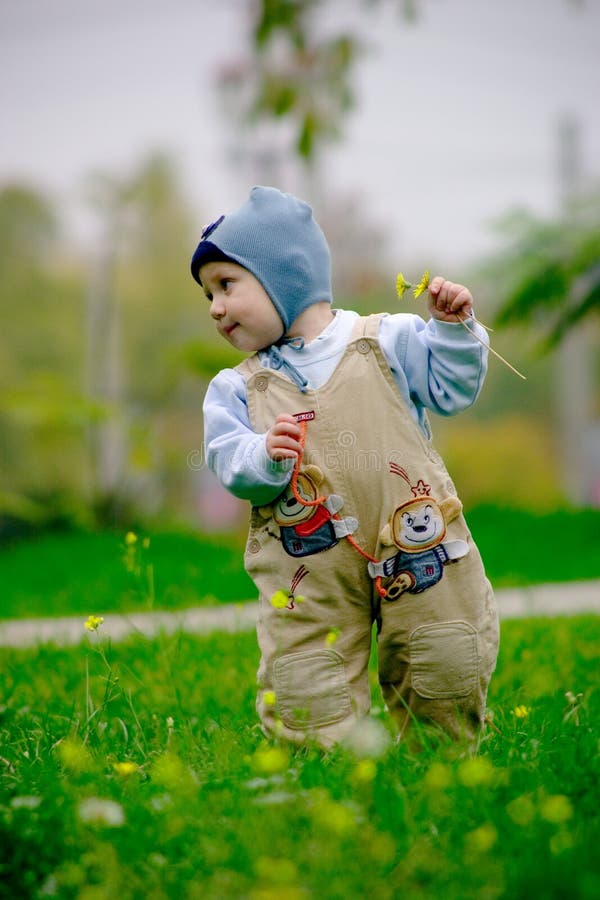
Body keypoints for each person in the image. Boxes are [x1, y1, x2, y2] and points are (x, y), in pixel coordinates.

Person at [191, 185, 499, 749]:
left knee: (443, 653)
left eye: (226, 285)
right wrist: (262, 455)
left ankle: (447, 765)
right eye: (208, 293)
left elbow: (452, 390)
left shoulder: (389, 339)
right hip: (308, 576)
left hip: (418, 548)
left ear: (284, 273)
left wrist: (453, 331)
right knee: (309, 679)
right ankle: (325, 775)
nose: (214, 307)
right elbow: (228, 461)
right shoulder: (235, 388)